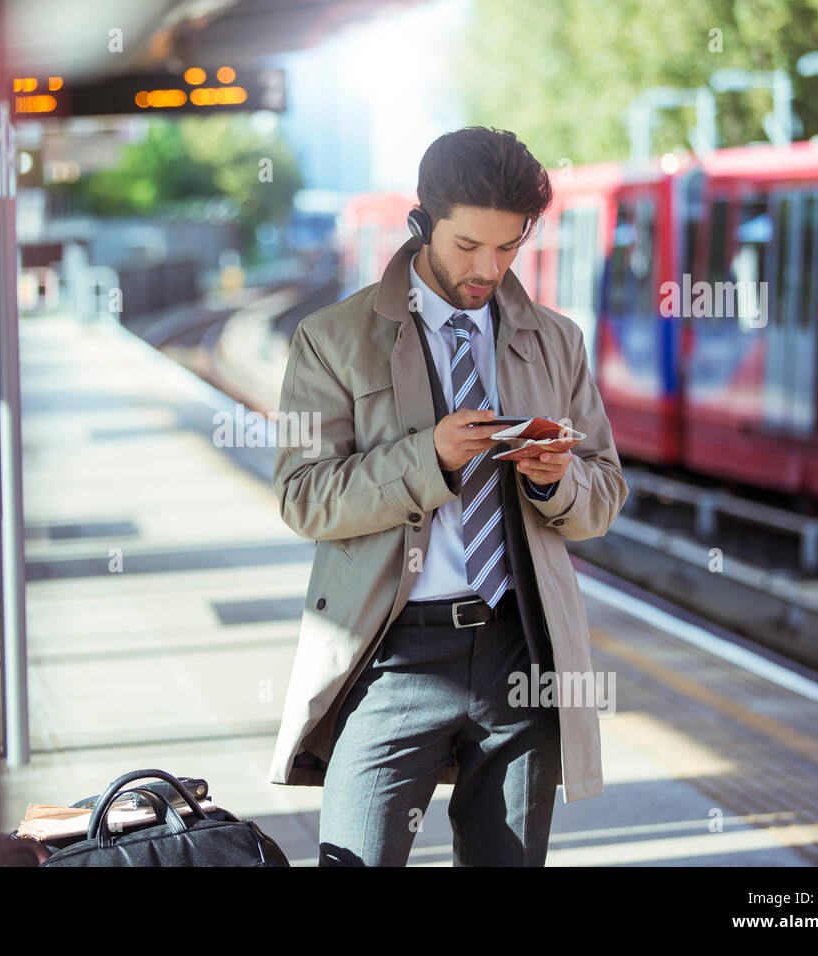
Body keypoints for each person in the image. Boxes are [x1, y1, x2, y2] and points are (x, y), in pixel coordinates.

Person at [268, 126, 629, 866]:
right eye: (468, 246)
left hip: (520, 653)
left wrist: (556, 479)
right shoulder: (332, 338)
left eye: (508, 248)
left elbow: (604, 494)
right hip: (393, 653)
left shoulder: (556, 341)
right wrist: (425, 458)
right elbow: (301, 497)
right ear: (424, 221)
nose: (488, 268)